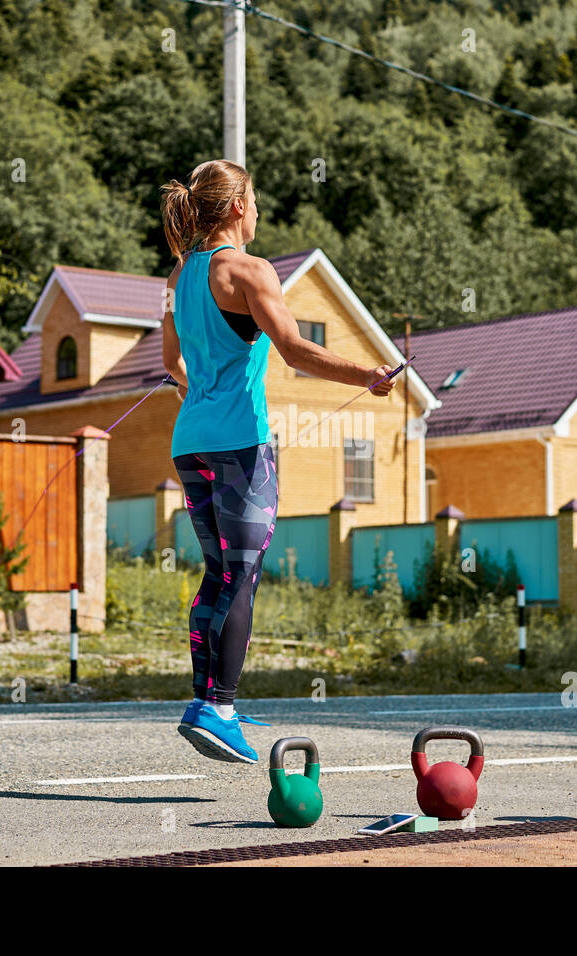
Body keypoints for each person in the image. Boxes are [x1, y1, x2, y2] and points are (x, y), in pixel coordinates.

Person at [159, 159, 396, 763]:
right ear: (238, 206)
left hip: (191, 443)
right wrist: (367, 374)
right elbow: (293, 350)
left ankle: (208, 699)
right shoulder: (248, 271)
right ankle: (220, 706)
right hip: (241, 445)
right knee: (241, 575)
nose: (260, 211)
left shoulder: (182, 272)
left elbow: (170, 362)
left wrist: (200, 396)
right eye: (257, 200)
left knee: (219, 571)